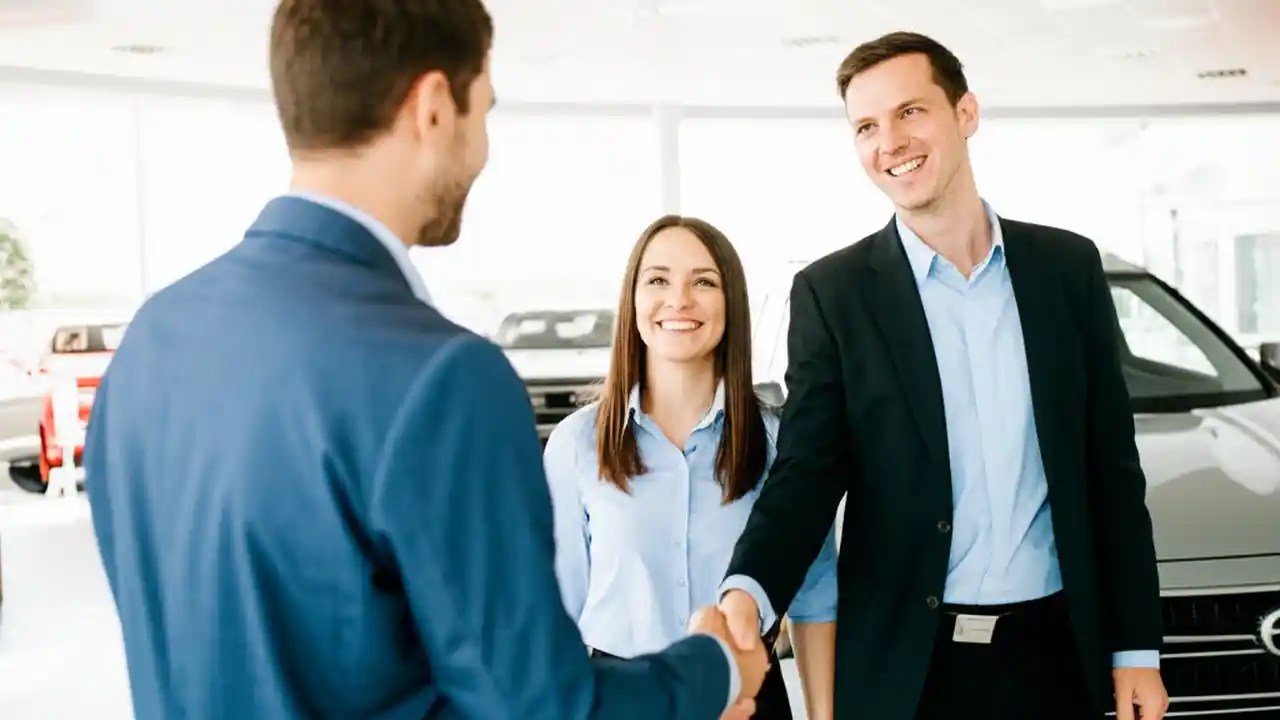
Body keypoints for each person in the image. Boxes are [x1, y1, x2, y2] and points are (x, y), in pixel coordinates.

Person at [83, 1, 766, 718]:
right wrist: (717, 668)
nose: (482, 148)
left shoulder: (151, 342)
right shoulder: (443, 380)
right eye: (484, 111)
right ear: (435, 107)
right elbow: (543, 708)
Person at [716, 31, 1170, 720]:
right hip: (908, 669)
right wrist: (749, 590)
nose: (890, 142)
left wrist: (1136, 649)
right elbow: (806, 475)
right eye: (866, 127)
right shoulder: (834, 295)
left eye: (910, 112)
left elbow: (1112, 471)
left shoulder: (1067, 271)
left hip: (1054, 655)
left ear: (965, 113)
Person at [544, 215, 840, 720]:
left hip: (749, 700)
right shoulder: (576, 444)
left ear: (731, 303)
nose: (678, 300)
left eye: (703, 282)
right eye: (658, 280)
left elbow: (816, 599)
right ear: (632, 300)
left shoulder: (779, 441)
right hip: (620, 702)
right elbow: (558, 612)